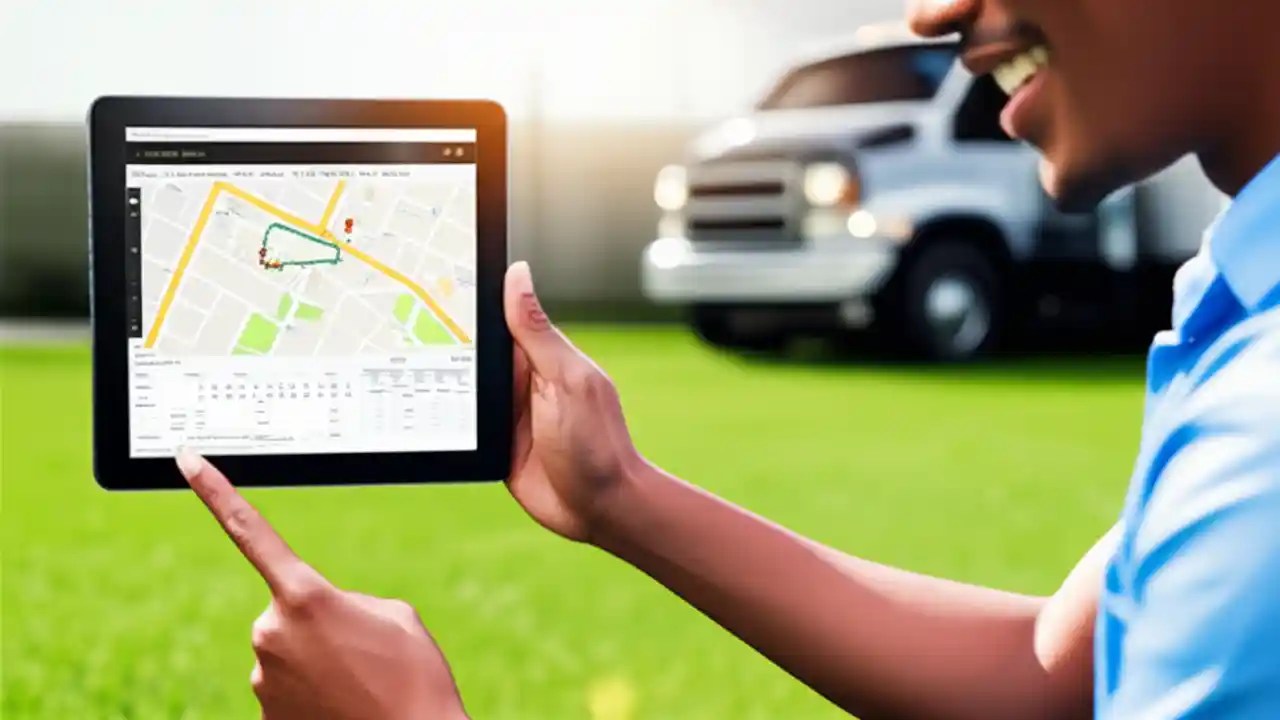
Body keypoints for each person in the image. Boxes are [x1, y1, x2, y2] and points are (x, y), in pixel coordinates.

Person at [176, 0, 1280, 716]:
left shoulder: (1261, 435)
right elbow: (1049, 678)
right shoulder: (1242, 324)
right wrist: (618, 494)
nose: (935, 12)